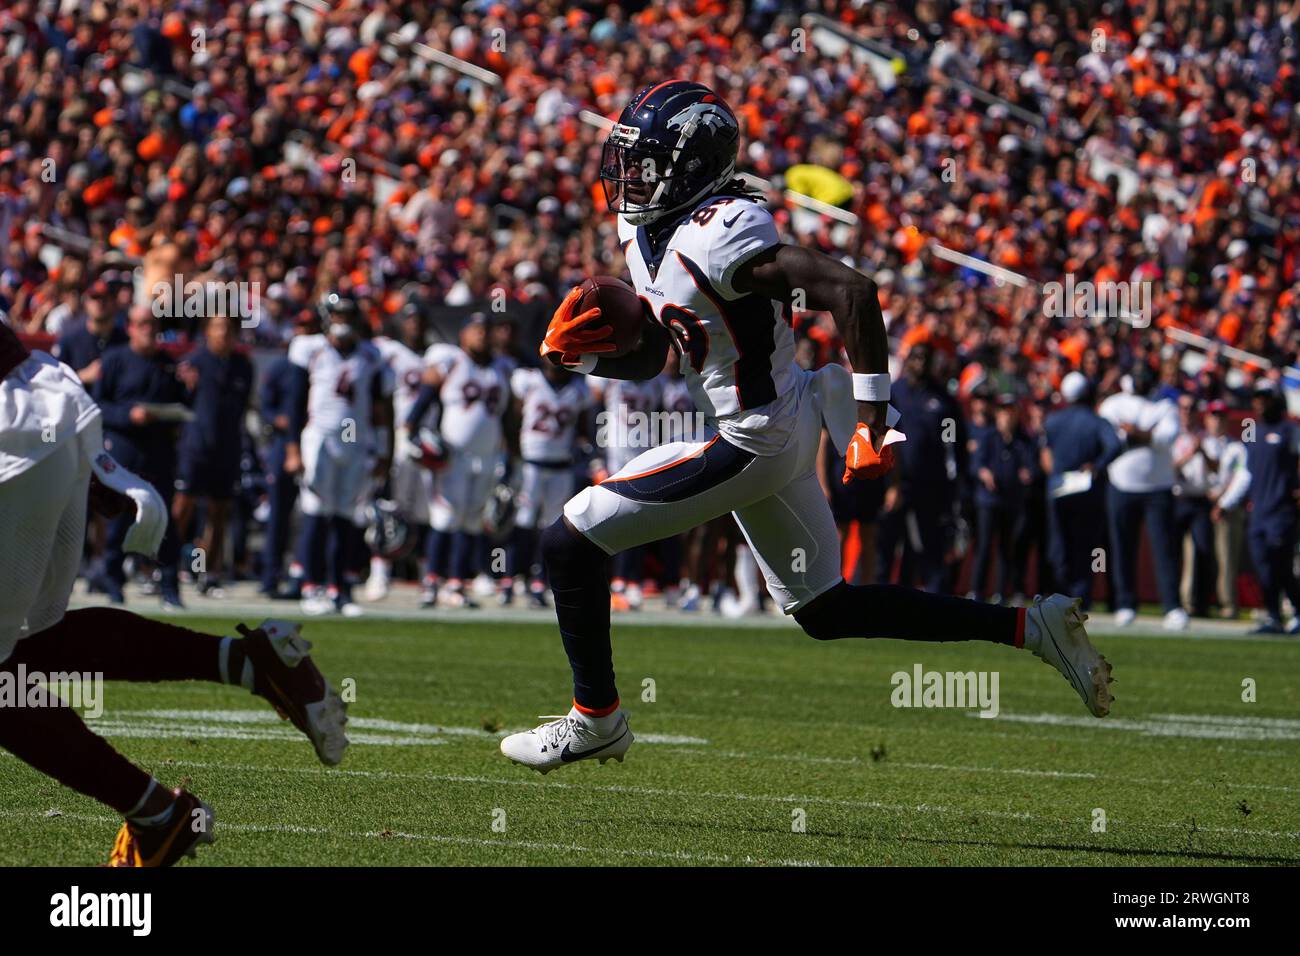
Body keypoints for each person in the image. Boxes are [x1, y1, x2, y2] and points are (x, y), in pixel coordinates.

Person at [498, 81, 1113, 773]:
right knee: (825, 609)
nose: (631, 174)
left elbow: (852, 291)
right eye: (631, 158)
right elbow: (667, 347)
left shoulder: (722, 232)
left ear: (694, 165)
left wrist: (873, 421)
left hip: (753, 438)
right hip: (775, 434)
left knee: (568, 539)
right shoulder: (649, 230)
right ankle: (1033, 627)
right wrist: (584, 359)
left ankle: (596, 719)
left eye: (650, 160)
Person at [0, 319, 346, 866]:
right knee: (25, 649)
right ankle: (248, 663)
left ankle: (159, 814)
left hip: (13, 437)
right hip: (38, 411)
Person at [290, 293, 393, 617]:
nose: (343, 321)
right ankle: (312, 585)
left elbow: (379, 408)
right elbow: (294, 402)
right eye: (338, 315)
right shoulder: (311, 349)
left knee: (346, 517)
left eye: (348, 315)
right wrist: (293, 447)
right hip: (319, 438)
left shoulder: (370, 355)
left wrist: (383, 450)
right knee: (316, 513)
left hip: (356, 442)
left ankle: (341, 589)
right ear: (326, 317)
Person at [406, 313, 509, 608]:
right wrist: (411, 427)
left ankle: (456, 584)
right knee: (446, 517)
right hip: (453, 455)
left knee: (472, 521)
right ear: (463, 334)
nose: (482, 335)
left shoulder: (501, 367)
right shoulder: (450, 359)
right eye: (476, 329)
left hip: (486, 456)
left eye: (486, 330)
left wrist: (510, 456)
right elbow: (426, 393)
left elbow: (510, 417)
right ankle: (431, 582)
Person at [93, 306, 190, 608]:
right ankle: (113, 583)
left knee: (164, 522)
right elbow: (97, 405)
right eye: (142, 324)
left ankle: (170, 586)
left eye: (153, 324)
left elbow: (183, 408)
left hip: (158, 451)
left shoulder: (168, 364)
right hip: (123, 451)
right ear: (131, 327)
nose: (148, 329)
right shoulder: (114, 360)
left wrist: (188, 386)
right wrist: (127, 415)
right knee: (119, 520)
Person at [172, 314, 254, 597]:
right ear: (208, 331)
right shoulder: (193, 363)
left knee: (219, 513)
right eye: (219, 327)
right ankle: (165, 567)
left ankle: (208, 571)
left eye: (230, 329)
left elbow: (243, 406)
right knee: (183, 507)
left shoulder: (243, 366)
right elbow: (179, 403)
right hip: (195, 447)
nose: (224, 333)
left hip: (227, 448)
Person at [1098, 367, 1185, 630]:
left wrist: (1137, 432)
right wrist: (1145, 434)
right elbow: (1112, 437)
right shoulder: (1114, 404)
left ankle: (1172, 606)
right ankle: (1125, 604)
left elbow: (1166, 438)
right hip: (1121, 484)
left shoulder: (1165, 406)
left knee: (1165, 550)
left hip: (1158, 488)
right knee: (1122, 548)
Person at [876, 342, 966, 593]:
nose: (920, 363)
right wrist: (888, 483)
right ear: (907, 360)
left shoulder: (943, 399)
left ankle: (930, 597)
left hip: (930, 484)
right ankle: (880, 599)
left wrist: (954, 482)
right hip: (895, 481)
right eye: (916, 358)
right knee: (888, 543)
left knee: (927, 545)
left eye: (925, 358)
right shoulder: (894, 394)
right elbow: (881, 435)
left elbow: (955, 443)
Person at [1041, 371, 1122, 610]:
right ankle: (1080, 596)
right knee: (1084, 546)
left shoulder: (1053, 421)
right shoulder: (1096, 421)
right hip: (1087, 489)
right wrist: (1096, 465)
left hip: (1058, 487)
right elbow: (1115, 445)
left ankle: (1060, 594)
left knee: (1059, 544)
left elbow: (1044, 451)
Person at [1236, 380, 1300, 634]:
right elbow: (1245, 471)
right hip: (1258, 511)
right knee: (1263, 566)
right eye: (1257, 397)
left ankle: (1296, 610)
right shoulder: (1251, 430)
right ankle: (1273, 615)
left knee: (1280, 564)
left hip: (1282, 509)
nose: (1261, 403)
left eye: (1266, 397)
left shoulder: (1289, 430)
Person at [967, 394, 1036, 604]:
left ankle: (1001, 592)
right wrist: (984, 473)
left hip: (1011, 500)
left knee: (1007, 548)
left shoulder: (1023, 440)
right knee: (985, 545)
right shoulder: (988, 437)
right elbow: (975, 464)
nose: (1007, 416)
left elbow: (1031, 465)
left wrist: (1027, 473)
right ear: (997, 414)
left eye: (1010, 412)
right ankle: (977, 590)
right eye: (1003, 411)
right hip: (988, 500)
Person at [1171, 396, 1217, 617]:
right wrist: (1190, 454)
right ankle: (1173, 602)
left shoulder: (1205, 438)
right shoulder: (1172, 436)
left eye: (1191, 408)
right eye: (1184, 408)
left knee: (1203, 549)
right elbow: (1170, 469)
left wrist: (1203, 452)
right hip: (1178, 498)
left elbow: (1216, 467)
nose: (1187, 412)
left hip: (1199, 500)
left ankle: (1200, 603)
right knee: (1172, 551)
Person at [1203, 400, 1248, 619]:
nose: (1217, 420)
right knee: (1196, 555)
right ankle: (1195, 602)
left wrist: (1223, 503)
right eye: (1214, 416)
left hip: (1227, 509)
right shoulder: (1200, 442)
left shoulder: (1236, 447)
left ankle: (1228, 604)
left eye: (1221, 416)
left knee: (1226, 558)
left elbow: (1242, 477)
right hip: (1200, 505)